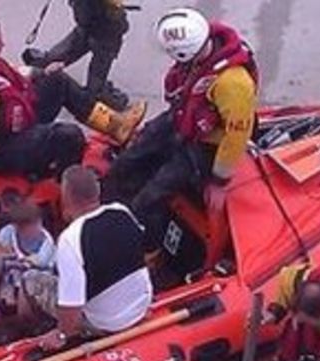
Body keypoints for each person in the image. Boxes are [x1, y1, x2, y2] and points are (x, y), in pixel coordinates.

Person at [102, 7, 257, 271]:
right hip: (184, 121)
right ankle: (108, 212)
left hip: (206, 145)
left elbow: (238, 133)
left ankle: (149, 253)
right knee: (126, 162)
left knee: (149, 198)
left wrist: (219, 181)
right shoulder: (199, 60)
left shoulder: (233, 84)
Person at [0, 15, 146, 179]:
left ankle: (116, 126)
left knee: (58, 81)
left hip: (12, 121)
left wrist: (43, 73)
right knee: (69, 136)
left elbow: (15, 74)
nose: (2, 45)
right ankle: (62, 184)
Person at [29, 165, 152, 351]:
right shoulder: (122, 211)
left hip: (105, 323)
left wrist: (62, 334)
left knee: (30, 279)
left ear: (66, 197)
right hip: (140, 306)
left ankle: (28, 331)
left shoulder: (70, 239)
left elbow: (72, 306)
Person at [21, 0, 132, 110]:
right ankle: (32, 76)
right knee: (93, 86)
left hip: (99, 28)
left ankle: (35, 72)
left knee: (69, 53)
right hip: (97, 29)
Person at [0, 200, 57, 312]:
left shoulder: (47, 243)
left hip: (34, 282)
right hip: (10, 277)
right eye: (24, 227)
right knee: (5, 271)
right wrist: (4, 252)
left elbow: (43, 265)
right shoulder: (9, 231)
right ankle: (4, 306)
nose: (35, 228)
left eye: (37, 224)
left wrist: (25, 262)